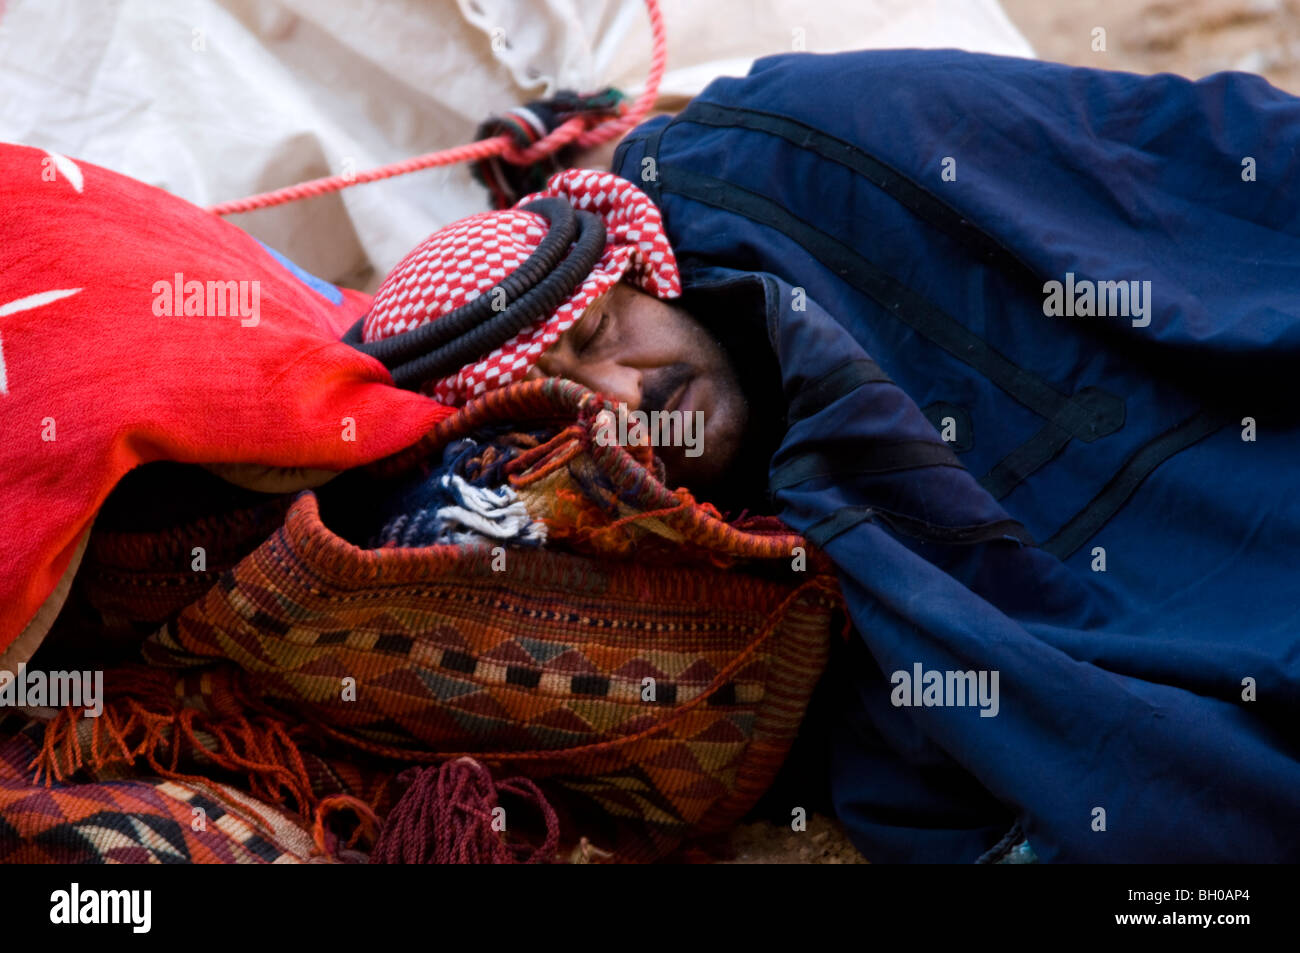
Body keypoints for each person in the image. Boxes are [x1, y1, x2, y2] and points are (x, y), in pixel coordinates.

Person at [359, 46, 1300, 863]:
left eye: (603, 329)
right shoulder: (721, 589)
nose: (624, 393)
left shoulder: (796, 151)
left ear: (642, 267)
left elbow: (1160, 158)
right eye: (567, 406)